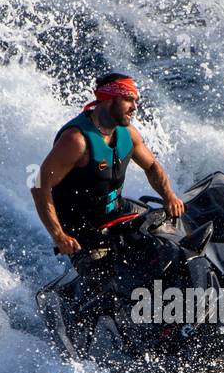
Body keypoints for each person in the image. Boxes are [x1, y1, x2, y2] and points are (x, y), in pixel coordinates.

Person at [30, 73, 185, 260]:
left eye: (135, 101)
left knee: (170, 229)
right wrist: (59, 236)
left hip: (116, 210)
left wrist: (169, 197)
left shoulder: (128, 134)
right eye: (128, 99)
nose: (134, 107)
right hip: (83, 230)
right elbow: (38, 185)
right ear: (108, 99)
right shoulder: (77, 141)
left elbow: (152, 166)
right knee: (107, 278)